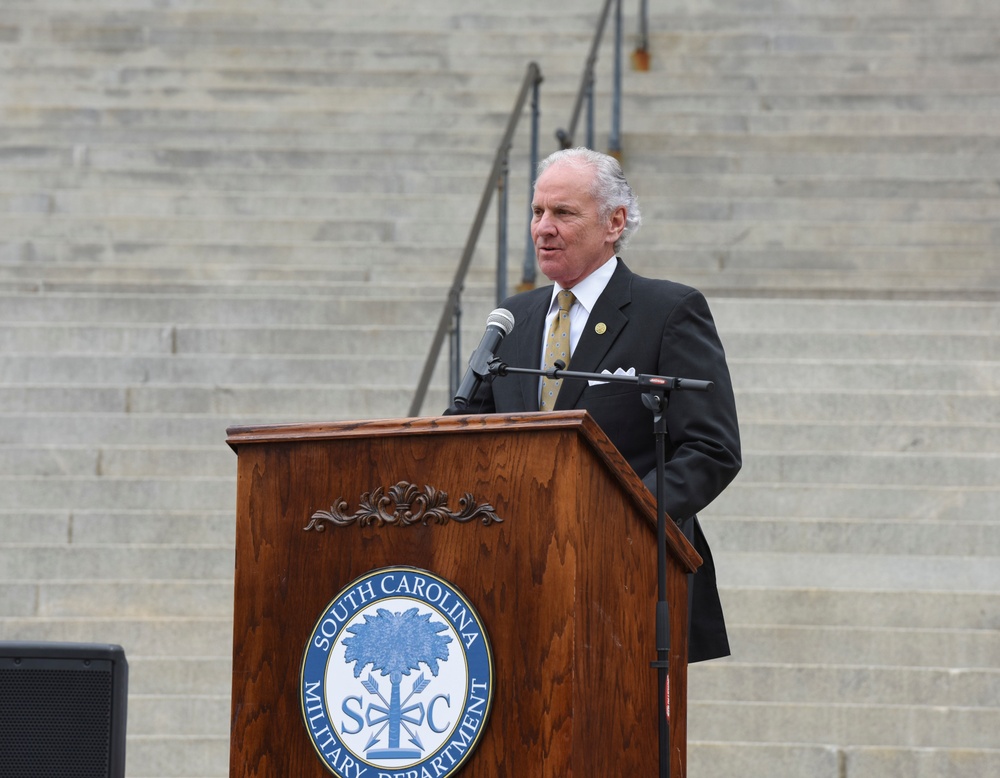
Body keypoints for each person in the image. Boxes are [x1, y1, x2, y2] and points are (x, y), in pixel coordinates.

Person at [449, 147, 741, 662]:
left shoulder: (668, 311)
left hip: (628, 580)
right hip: (518, 578)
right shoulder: (512, 319)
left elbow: (712, 449)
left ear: (614, 222)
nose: (543, 228)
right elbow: (463, 435)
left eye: (563, 213)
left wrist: (619, 517)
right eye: (537, 212)